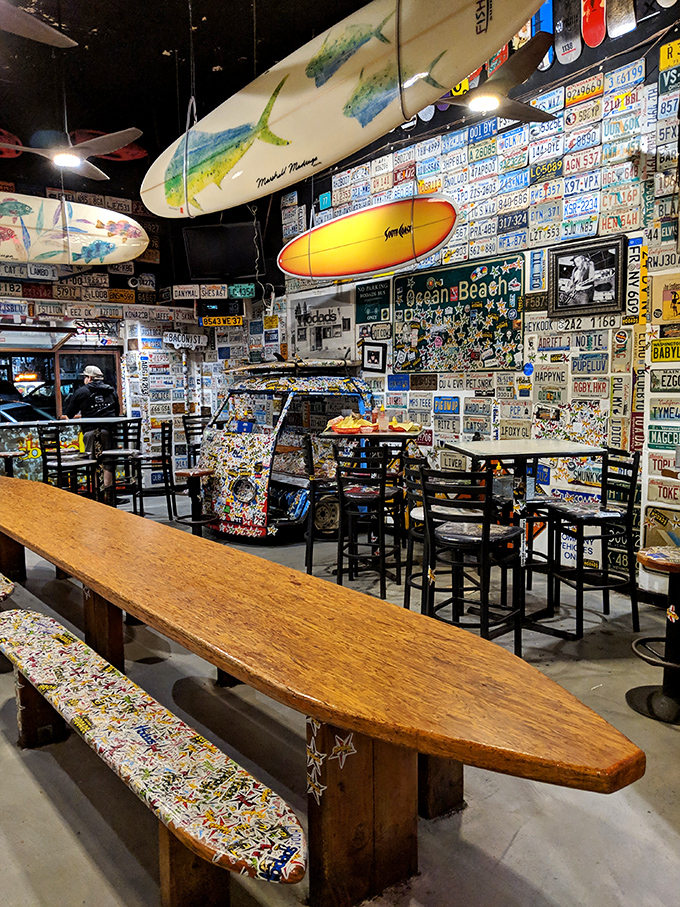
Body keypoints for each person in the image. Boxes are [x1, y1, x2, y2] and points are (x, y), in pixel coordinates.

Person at [61, 365, 120, 491]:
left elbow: (69, 414)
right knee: (109, 460)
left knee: (92, 460)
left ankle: (96, 492)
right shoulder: (111, 390)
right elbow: (117, 412)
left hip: (90, 431)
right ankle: (108, 491)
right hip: (109, 431)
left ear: (89, 378)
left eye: (85, 377)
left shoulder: (81, 392)